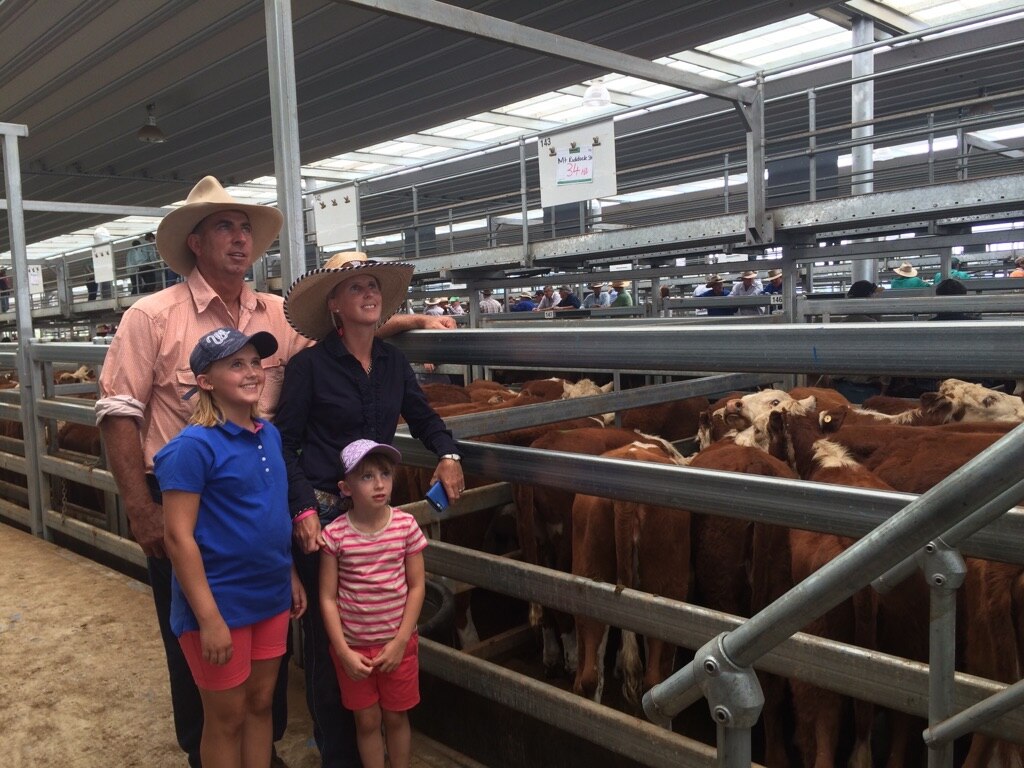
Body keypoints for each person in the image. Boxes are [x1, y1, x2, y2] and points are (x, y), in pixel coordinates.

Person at [95, 176, 447, 768]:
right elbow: (118, 411)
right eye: (224, 228)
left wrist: (403, 323)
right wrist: (141, 507)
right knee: (200, 642)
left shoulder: (275, 315)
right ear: (196, 243)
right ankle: (204, 752)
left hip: (261, 491)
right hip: (187, 499)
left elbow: (339, 336)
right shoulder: (152, 317)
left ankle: (264, 749)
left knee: (267, 641)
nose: (240, 239)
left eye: (245, 228)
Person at [275, 251, 464, 768]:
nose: (369, 291)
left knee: (381, 615)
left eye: (374, 284)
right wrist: (301, 510)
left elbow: (424, 418)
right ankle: (339, 753)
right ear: (334, 304)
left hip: (375, 518)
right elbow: (285, 443)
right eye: (355, 285)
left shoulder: (392, 364)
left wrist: (448, 454)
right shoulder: (309, 367)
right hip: (325, 514)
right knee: (326, 638)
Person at [155, 327, 307, 768]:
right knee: (225, 719)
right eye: (235, 364)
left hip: (270, 595)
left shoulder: (269, 435)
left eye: (255, 363)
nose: (251, 372)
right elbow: (178, 538)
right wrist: (209, 619)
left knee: (260, 704)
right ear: (205, 380)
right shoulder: (191, 448)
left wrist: (290, 574)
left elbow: (272, 512)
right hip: (220, 602)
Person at [320, 439, 427, 768]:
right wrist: (342, 651)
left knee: (396, 718)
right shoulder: (335, 536)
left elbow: (417, 586)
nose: (379, 484)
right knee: (366, 722)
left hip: (397, 645)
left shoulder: (405, 526)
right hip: (354, 650)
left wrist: (399, 643)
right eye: (366, 477)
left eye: (385, 473)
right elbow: (327, 596)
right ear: (346, 487)